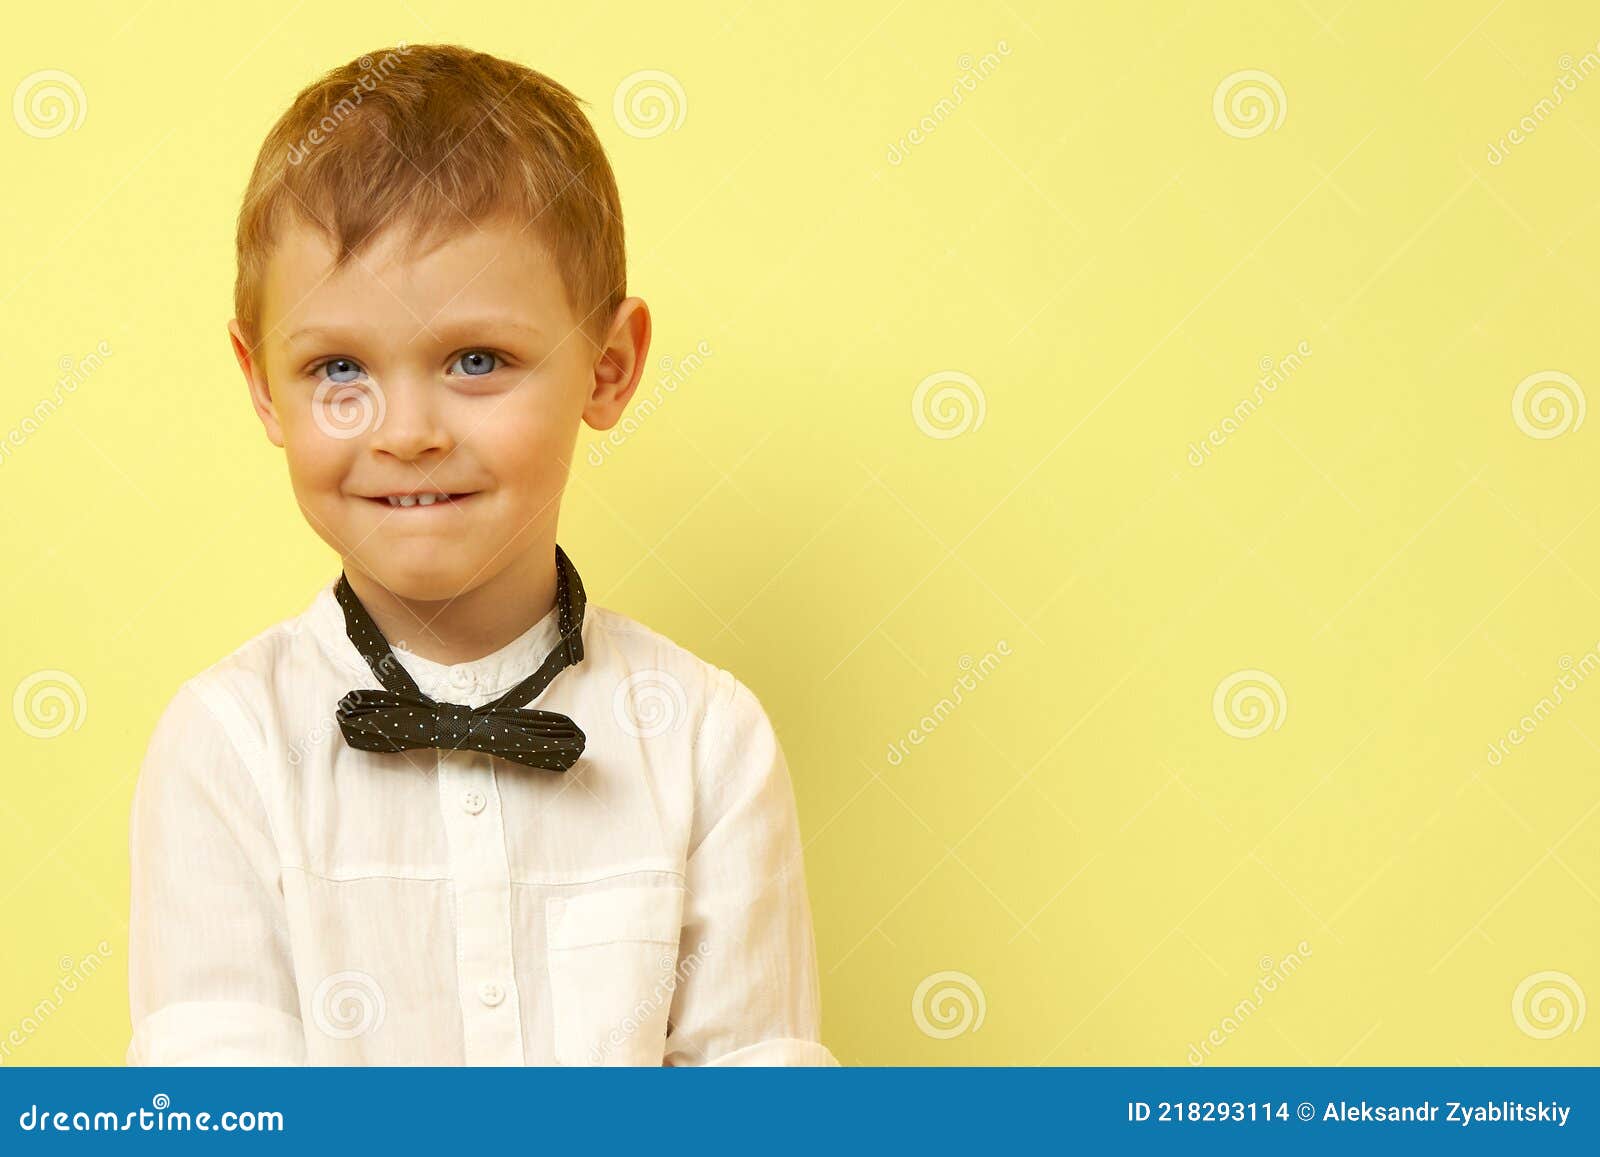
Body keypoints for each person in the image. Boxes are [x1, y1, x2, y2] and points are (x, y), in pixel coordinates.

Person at [125, 42, 835, 1066]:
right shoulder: (225, 745)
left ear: (609, 365)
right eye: (337, 366)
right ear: (261, 382)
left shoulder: (709, 742)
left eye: (476, 359)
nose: (405, 428)